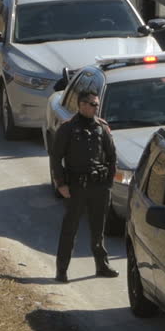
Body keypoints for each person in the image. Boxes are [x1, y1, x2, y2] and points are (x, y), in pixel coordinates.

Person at [49, 90, 119, 283]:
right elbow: (56, 158)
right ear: (81, 105)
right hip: (76, 187)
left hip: (99, 186)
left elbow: (112, 156)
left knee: (98, 229)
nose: (96, 107)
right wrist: (60, 184)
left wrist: (108, 181)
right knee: (69, 229)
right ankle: (62, 270)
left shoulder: (101, 127)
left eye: (97, 104)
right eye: (92, 104)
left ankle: (101, 265)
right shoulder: (68, 128)